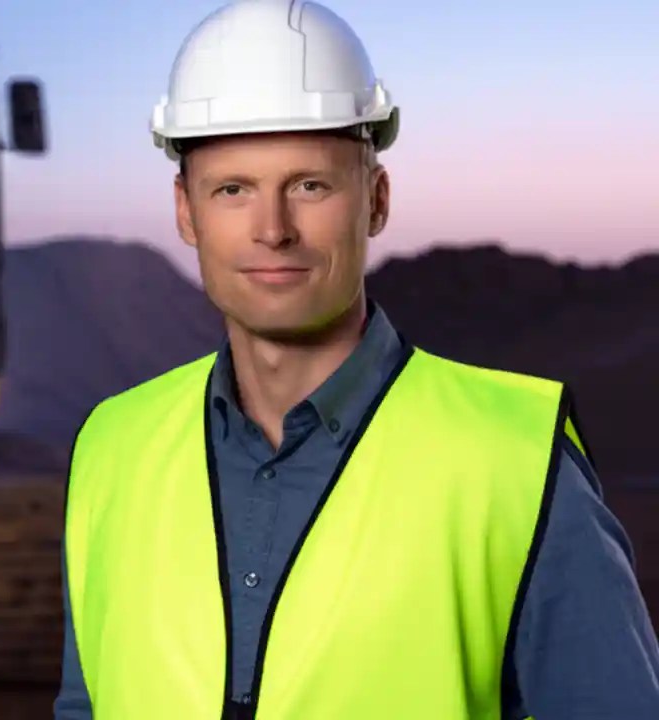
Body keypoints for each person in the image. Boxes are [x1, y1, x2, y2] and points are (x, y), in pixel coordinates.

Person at [54, 1, 659, 718]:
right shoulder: (112, 447)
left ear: (374, 201)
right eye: (232, 190)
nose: (272, 229)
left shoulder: (515, 458)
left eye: (310, 185)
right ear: (186, 212)